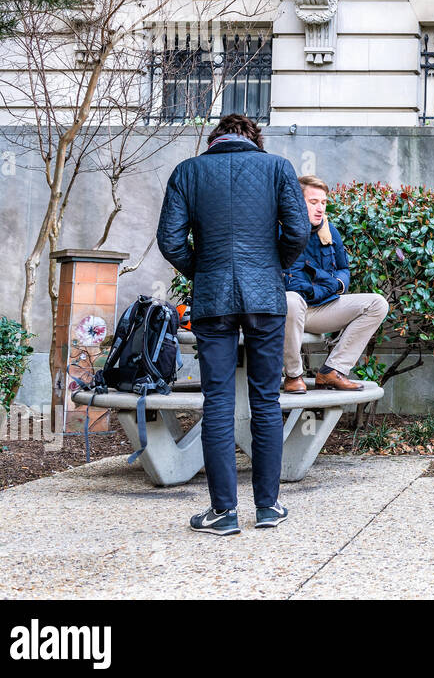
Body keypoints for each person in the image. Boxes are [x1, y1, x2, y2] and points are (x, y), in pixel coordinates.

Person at [156, 114, 310, 536]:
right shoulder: (278, 167)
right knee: (265, 400)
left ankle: (223, 513)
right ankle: (268, 507)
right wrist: (271, 267)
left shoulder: (188, 171)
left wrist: (202, 271)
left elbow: (170, 240)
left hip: (213, 299)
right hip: (265, 299)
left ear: (214, 140)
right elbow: (298, 230)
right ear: (254, 139)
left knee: (218, 401)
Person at [282, 175, 390, 393]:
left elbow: (343, 270)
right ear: (296, 202)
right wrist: (325, 283)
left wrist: (335, 285)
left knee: (377, 303)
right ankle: (294, 375)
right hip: (288, 312)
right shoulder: (279, 231)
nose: (320, 208)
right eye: (313, 202)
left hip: (321, 308)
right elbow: (290, 282)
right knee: (290, 299)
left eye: (323, 202)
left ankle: (333, 370)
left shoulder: (329, 232)